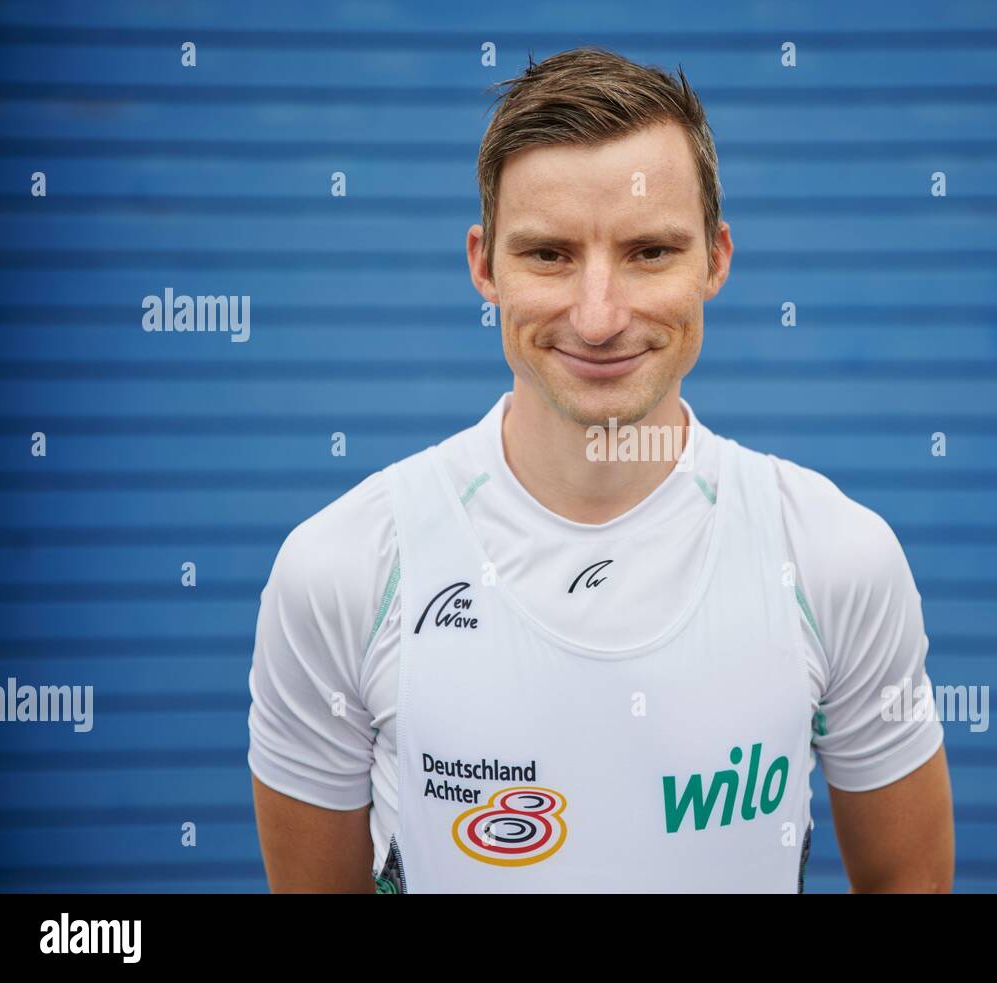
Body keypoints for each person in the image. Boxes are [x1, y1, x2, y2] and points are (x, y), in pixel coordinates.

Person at [247, 45, 953, 893]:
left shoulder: (836, 557)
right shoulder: (344, 570)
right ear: (483, 266)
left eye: (650, 251)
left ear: (716, 260)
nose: (598, 315)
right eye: (548, 254)